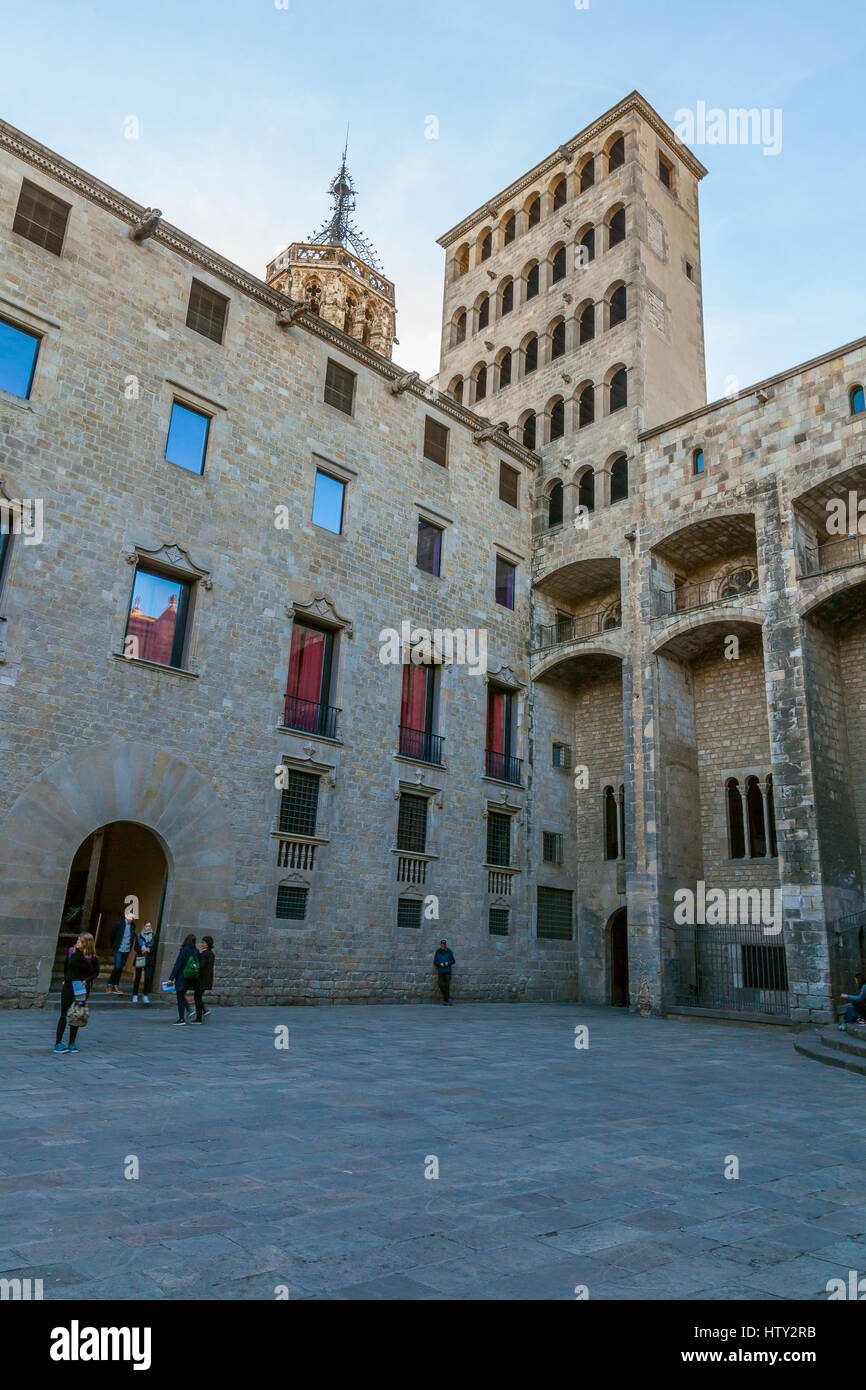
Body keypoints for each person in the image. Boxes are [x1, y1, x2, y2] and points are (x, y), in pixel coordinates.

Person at [55, 932, 99, 1053]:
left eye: (80, 940)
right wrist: (65, 979)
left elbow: (95, 972)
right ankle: (58, 1043)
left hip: (81, 988)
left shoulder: (92, 957)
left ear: (87, 943)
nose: (77, 942)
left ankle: (72, 1042)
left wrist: (87, 980)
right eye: (78, 940)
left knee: (77, 1014)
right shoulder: (71, 952)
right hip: (69, 986)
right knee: (64, 1014)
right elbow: (66, 967)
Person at [168, 934, 199, 1025]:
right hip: (190, 977)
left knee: (180, 996)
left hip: (182, 976)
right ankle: (189, 1010)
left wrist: (171, 978)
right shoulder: (196, 951)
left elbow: (178, 965)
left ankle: (181, 1019)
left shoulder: (184, 950)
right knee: (182, 995)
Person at [108, 904, 137, 995]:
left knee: (121, 968)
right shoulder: (119, 924)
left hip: (126, 950)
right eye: (130, 916)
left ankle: (116, 986)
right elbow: (112, 935)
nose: (131, 918)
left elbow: (132, 937)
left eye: (133, 917)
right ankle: (109, 985)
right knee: (117, 967)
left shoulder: (133, 926)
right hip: (118, 949)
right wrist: (114, 946)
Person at [189, 935, 215, 1024]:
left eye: (204, 942)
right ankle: (204, 1011)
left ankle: (199, 1018)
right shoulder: (211, 953)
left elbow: (202, 966)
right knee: (198, 997)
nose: (202, 944)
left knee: (197, 998)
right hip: (207, 979)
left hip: (201, 979)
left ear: (207, 944)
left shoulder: (204, 954)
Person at [132, 920, 156, 1004]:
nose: (148, 927)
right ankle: (135, 995)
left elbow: (155, 948)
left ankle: (145, 995)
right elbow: (135, 948)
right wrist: (141, 949)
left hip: (149, 959)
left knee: (148, 977)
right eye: (146, 926)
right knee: (137, 977)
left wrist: (149, 949)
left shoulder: (153, 936)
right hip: (140, 958)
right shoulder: (139, 935)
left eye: (149, 926)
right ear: (144, 926)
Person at [433, 939, 455, 1005]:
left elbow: (453, 961)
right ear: (440, 945)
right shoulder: (438, 952)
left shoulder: (449, 951)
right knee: (440, 984)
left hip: (447, 971)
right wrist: (439, 964)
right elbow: (435, 962)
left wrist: (448, 963)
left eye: (444, 945)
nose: (443, 946)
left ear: (445, 945)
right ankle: (447, 998)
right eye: (442, 945)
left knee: (447, 985)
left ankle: (445, 1000)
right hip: (440, 971)